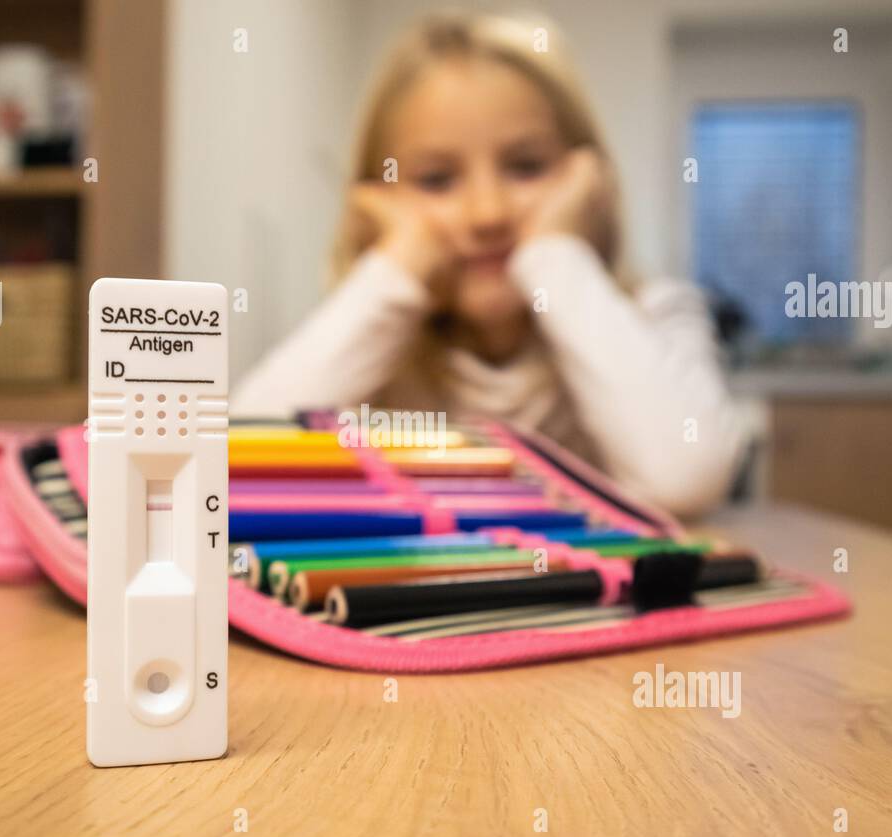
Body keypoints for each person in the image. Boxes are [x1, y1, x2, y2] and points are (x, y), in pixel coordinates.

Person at [232, 12, 746, 516]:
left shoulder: (655, 315)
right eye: (436, 179)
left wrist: (555, 258)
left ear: (588, 182)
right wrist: (395, 271)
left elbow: (685, 478)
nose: (488, 213)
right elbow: (234, 461)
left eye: (526, 167)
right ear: (377, 203)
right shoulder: (378, 346)